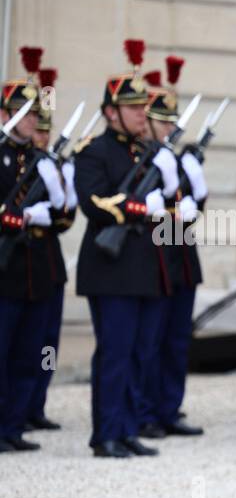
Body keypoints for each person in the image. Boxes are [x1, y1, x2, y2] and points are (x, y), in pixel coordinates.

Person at [75, 38, 181, 458]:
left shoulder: (151, 152)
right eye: (134, 107)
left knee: (141, 352)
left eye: (143, 107)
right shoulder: (94, 152)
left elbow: (172, 207)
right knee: (115, 353)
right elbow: (94, 201)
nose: (142, 113)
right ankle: (106, 433)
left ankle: (129, 426)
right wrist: (139, 206)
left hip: (146, 267)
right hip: (111, 267)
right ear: (110, 112)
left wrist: (172, 191)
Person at [135, 57, 206, 439]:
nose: (169, 128)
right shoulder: (141, 158)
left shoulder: (172, 157)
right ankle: (145, 410)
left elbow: (192, 206)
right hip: (152, 259)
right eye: (163, 121)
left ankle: (169, 407)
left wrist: (196, 184)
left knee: (177, 340)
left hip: (181, 256)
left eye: (170, 122)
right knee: (150, 340)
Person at [0, 48, 61, 454]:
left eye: (35, 116)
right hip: (3, 271)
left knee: (31, 353)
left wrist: (52, 203)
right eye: (23, 115)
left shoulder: (38, 159)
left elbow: (62, 214)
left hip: (36, 272)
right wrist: (20, 219)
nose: (32, 122)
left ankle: (14, 423)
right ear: (5, 116)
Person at [24, 66, 77, 435]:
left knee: (47, 345)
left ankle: (37, 403)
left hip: (48, 264)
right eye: (38, 128)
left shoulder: (51, 165)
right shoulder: (17, 164)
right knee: (17, 342)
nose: (43, 137)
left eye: (46, 129)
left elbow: (65, 220)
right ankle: (15, 407)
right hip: (16, 262)